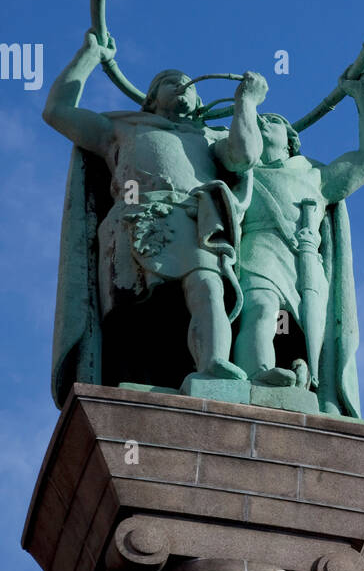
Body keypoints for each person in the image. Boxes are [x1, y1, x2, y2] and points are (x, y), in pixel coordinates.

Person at [44, 30, 268, 401]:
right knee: (134, 309)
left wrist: (247, 103)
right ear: (150, 99)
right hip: (136, 220)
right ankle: (125, 383)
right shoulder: (121, 127)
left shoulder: (209, 138)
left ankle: (213, 365)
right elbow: (57, 111)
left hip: (197, 219)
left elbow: (245, 157)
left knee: (207, 286)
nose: (182, 85)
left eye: (187, 84)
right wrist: (89, 55)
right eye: (170, 81)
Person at [233, 69, 364, 418]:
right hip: (258, 250)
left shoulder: (315, 175)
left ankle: (310, 381)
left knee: (304, 335)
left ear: (290, 138)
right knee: (261, 310)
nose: (262, 121)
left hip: (307, 268)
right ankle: (258, 373)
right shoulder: (240, 166)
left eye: (271, 119)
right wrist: (245, 102)